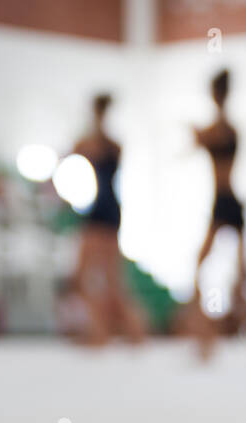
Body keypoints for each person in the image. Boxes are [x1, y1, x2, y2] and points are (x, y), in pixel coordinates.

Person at [184, 69, 246, 359]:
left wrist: (195, 133)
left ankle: (210, 337)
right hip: (228, 202)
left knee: (205, 267)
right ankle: (207, 336)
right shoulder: (228, 129)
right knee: (234, 273)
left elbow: (201, 141)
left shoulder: (222, 129)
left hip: (225, 202)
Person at [71, 93, 147, 345]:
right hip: (105, 209)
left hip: (106, 210)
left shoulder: (108, 144)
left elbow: (81, 149)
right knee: (96, 276)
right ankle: (103, 331)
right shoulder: (102, 142)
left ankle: (119, 332)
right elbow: (75, 149)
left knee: (101, 277)